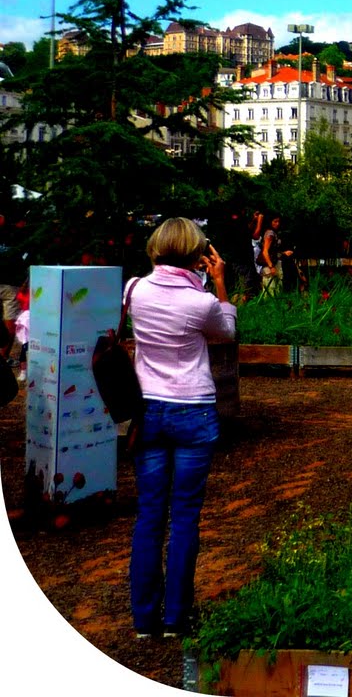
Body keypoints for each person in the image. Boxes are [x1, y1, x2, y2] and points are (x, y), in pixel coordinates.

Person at [127, 217, 238, 638]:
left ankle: (143, 619)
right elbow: (226, 333)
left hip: (149, 409)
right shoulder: (202, 302)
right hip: (193, 409)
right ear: (197, 254)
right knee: (185, 516)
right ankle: (176, 618)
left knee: (149, 515)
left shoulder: (134, 290)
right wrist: (220, 282)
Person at [256, 215, 285, 296]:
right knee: (270, 287)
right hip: (269, 263)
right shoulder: (270, 233)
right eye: (275, 221)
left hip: (275, 261)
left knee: (277, 286)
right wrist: (271, 266)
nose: (277, 224)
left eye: (278, 222)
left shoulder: (275, 233)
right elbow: (265, 251)